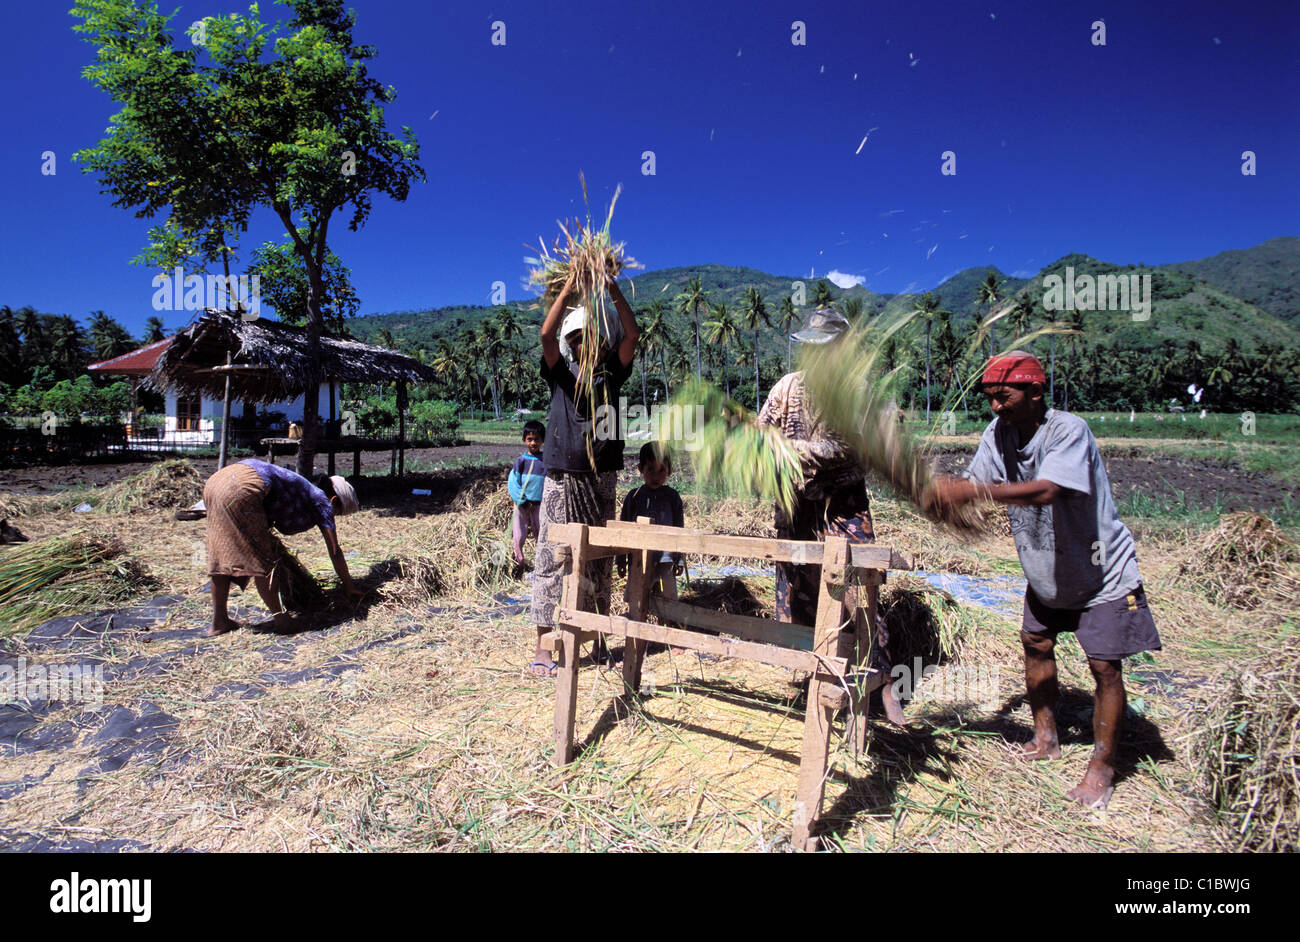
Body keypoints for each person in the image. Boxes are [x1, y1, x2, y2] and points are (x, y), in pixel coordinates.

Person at [924, 351, 1161, 810]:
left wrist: (973, 491)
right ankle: (1045, 737)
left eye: (1004, 396)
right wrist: (942, 495)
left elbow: (1049, 489)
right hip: (1045, 570)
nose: (996, 407)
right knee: (1035, 643)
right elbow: (977, 482)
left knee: (1104, 667)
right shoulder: (999, 433)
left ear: (1035, 392)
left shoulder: (1068, 431)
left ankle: (1102, 767)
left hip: (1100, 571)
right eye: (990, 398)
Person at [758, 308, 906, 724]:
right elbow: (761, 432)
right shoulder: (786, 387)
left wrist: (792, 452)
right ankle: (815, 678)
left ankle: (883, 682)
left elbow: (847, 449)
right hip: (794, 507)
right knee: (800, 589)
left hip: (843, 505)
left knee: (861, 594)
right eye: (809, 348)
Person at [527, 270, 639, 677]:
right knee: (551, 559)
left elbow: (633, 334)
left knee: (597, 560)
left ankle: (593, 641)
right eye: (574, 339)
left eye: (587, 337)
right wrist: (569, 291)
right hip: (561, 476)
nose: (581, 344)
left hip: (601, 477)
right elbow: (545, 335)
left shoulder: (612, 372)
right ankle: (543, 647)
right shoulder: (560, 373)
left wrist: (611, 288)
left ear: (600, 341)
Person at [203, 458, 362, 637]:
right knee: (264, 562)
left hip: (218, 481)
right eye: (337, 513)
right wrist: (349, 586)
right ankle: (282, 621)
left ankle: (219, 622)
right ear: (334, 500)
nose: (333, 517)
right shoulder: (322, 500)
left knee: (221, 555)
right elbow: (335, 551)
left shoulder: (300, 490)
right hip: (242, 485)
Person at [616, 443, 685, 604]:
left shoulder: (673, 497)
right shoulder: (634, 496)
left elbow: (679, 529)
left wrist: (679, 558)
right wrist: (621, 559)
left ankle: (667, 626)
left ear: (669, 469)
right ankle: (635, 626)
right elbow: (623, 529)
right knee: (636, 599)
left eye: (661, 470)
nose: (656, 476)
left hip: (665, 560)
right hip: (638, 560)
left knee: (668, 602)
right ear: (640, 468)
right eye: (650, 470)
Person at [508, 420, 546, 565]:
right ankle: (519, 561)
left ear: (543, 440)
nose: (533, 443)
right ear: (524, 440)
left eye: (537, 439)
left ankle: (541, 563)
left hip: (538, 505)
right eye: (529, 439)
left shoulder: (546, 462)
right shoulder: (521, 461)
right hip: (522, 505)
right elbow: (513, 483)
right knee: (520, 534)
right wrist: (523, 501)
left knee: (541, 533)